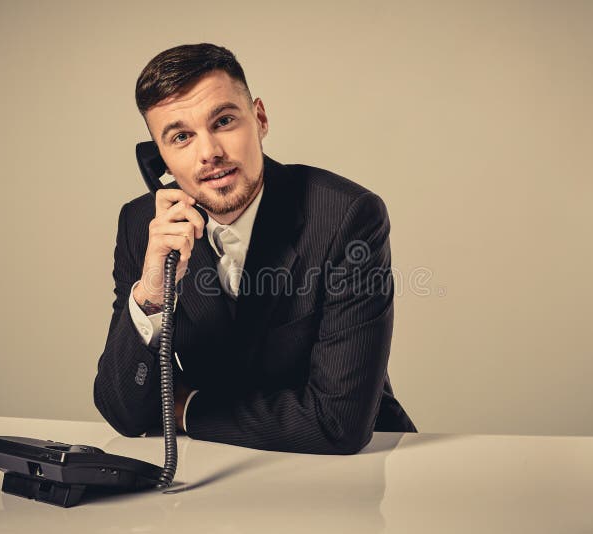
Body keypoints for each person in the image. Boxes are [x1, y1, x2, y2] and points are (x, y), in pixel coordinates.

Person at [94, 43, 416, 455]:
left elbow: (339, 423)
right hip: (218, 477)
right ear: (161, 159)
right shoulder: (145, 227)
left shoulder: (346, 217)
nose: (209, 152)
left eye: (224, 121)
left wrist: (186, 408)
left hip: (357, 474)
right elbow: (122, 412)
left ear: (259, 118)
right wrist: (153, 294)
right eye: (181, 137)